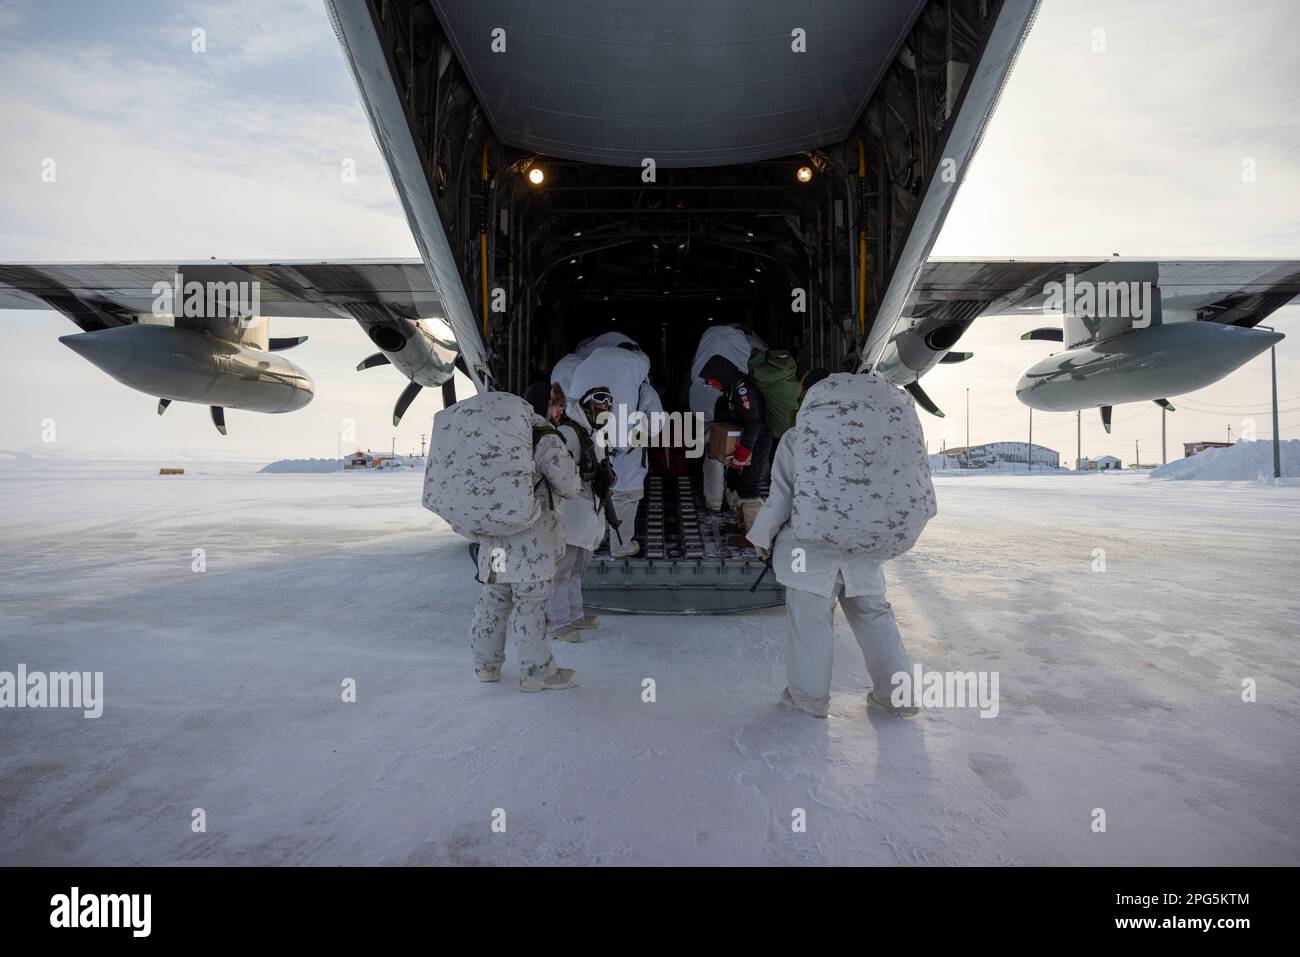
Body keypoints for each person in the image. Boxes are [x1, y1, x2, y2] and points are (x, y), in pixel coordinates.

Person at [745, 372, 937, 719]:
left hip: (810, 551)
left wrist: (761, 538)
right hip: (865, 548)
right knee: (875, 618)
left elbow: (781, 498)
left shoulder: (799, 437)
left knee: (811, 624)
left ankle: (809, 699)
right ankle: (897, 697)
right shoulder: (885, 437)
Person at [468, 396, 585, 692]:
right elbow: (570, 485)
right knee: (530, 604)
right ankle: (536, 673)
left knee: (493, 600)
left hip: (494, 538)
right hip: (530, 540)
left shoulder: (485, 432)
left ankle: (486, 666)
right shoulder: (541, 436)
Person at [549, 383, 610, 640]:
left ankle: (574, 615)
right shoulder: (569, 432)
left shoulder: (594, 434)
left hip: (589, 511)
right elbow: (553, 469)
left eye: (607, 406)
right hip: (571, 509)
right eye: (598, 405)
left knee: (577, 569)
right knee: (561, 571)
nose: (603, 410)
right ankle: (559, 623)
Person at [698, 354, 771, 537]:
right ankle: (742, 526)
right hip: (748, 443)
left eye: (712, 381)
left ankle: (755, 534)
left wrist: (742, 455)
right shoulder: (731, 390)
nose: (711, 385)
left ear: (720, 375)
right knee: (737, 482)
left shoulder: (742, 391)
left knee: (749, 485)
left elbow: (753, 423)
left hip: (757, 443)